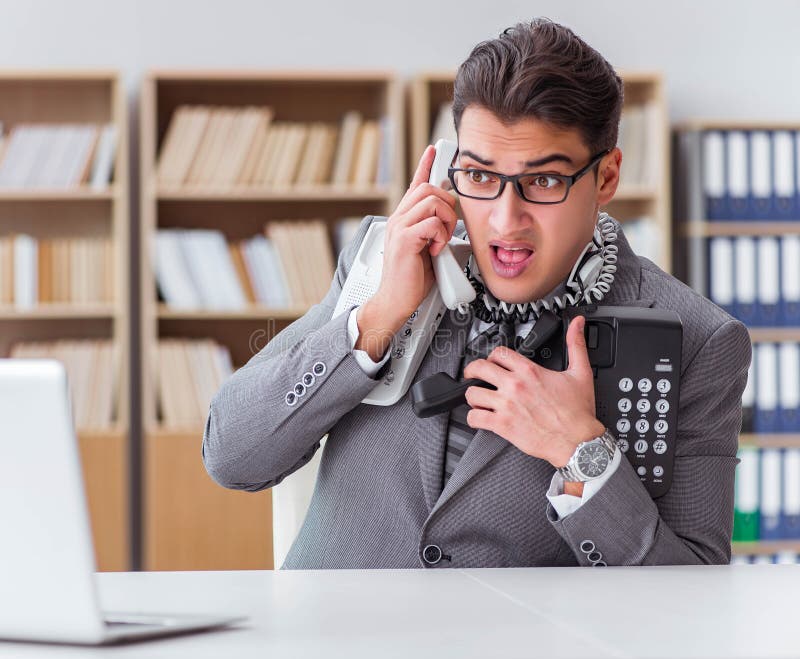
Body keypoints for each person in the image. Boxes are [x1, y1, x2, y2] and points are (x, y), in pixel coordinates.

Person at [202, 18, 751, 569]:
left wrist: (582, 454)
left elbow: (691, 593)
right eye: (481, 177)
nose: (506, 222)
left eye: (544, 181)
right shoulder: (387, 261)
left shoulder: (700, 340)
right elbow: (231, 457)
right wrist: (373, 323)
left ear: (606, 178)